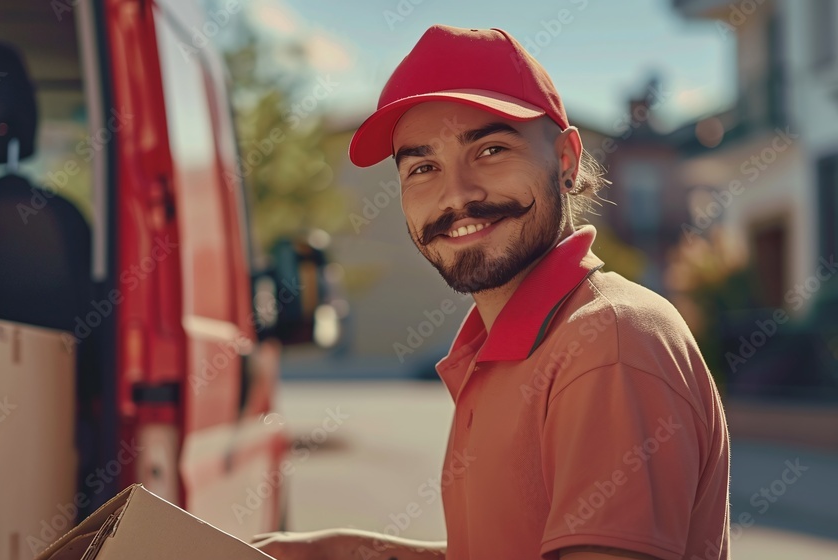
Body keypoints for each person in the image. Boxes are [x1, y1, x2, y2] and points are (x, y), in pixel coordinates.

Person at [252, 25, 730, 560]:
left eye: (491, 149)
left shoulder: (608, 341)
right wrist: (350, 552)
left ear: (566, 162)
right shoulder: (506, 345)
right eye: (423, 167)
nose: (456, 194)